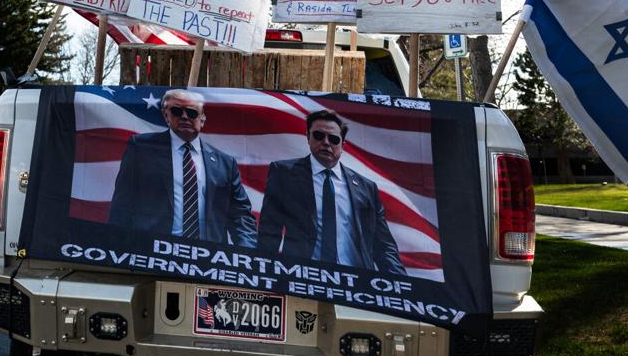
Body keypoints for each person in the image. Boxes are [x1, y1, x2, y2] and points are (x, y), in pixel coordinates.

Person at [257, 109, 406, 274]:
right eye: (319, 136)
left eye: (334, 139)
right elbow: (269, 232)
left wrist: (403, 289)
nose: (326, 143)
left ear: (343, 146)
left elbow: (384, 246)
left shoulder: (366, 188)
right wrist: (263, 275)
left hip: (354, 280)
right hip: (302, 276)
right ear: (308, 137)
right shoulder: (285, 173)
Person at [108, 89, 257, 247]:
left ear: (202, 119)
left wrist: (246, 254)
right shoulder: (141, 148)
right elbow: (122, 204)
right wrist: (117, 248)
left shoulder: (225, 163)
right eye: (177, 111)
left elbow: (241, 216)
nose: (184, 116)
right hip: (150, 253)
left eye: (192, 113)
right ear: (166, 115)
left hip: (207, 257)